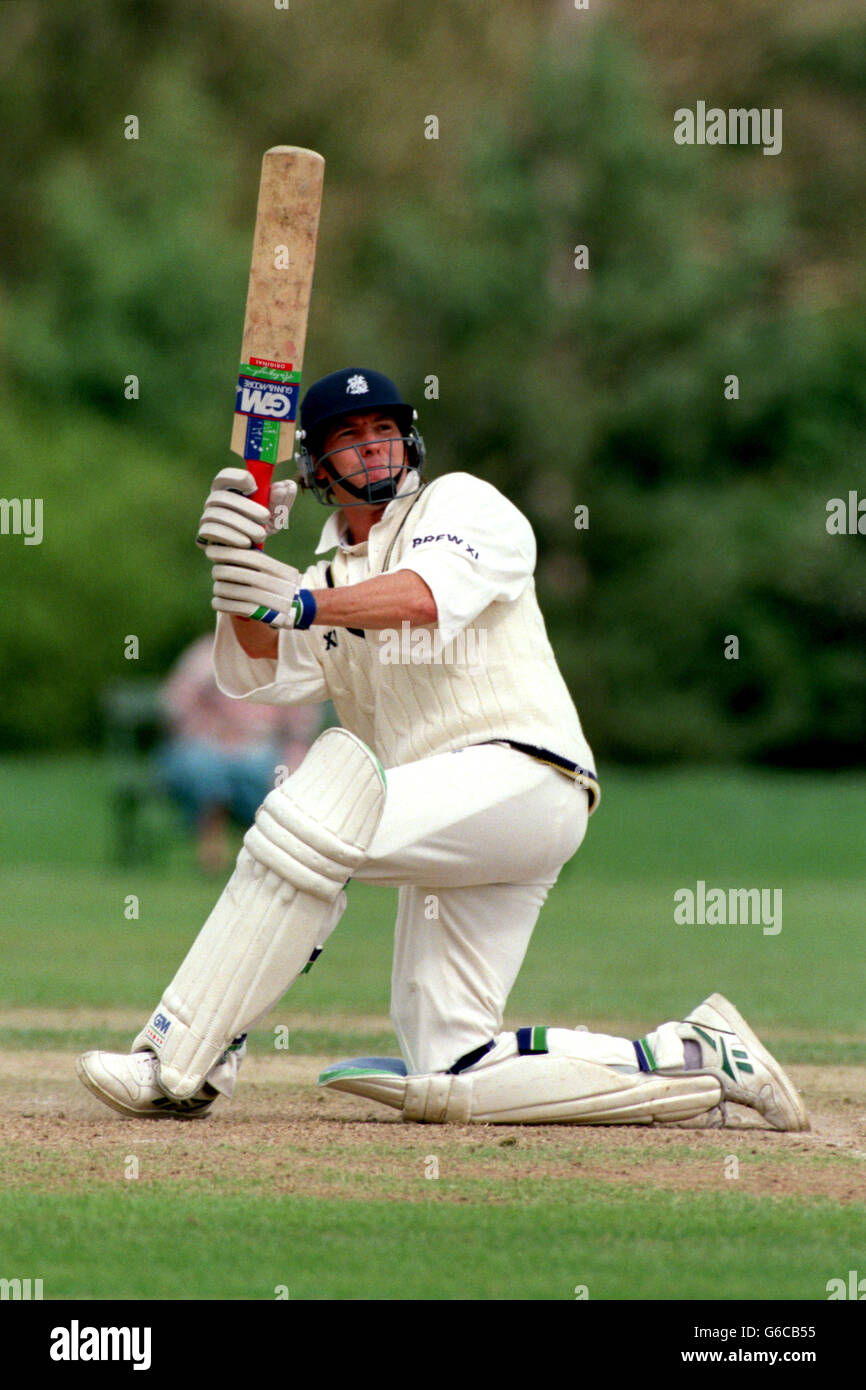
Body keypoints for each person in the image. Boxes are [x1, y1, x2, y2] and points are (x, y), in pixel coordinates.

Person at [77, 369, 808, 1132]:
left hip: (524, 778)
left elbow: (422, 597)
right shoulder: (325, 578)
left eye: (384, 430)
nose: (373, 447)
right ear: (315, 466)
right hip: (451, 821)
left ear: (410, 439)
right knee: (451, 1067)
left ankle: (181, 1058)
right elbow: (259, 662)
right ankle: (697, 1057)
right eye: (349, 437)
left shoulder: (460, 505)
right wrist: (238, 560)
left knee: (310, 819)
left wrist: (295, 601)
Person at [158, 632, 320, 872]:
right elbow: (172, 708)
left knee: (266, 772)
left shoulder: (285, 660)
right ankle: (215, 834)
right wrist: (206, 706)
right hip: (205, 742)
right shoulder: (204, 654)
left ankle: (255, 843)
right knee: (202, 767)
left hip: (262, 747)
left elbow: (300, 727)